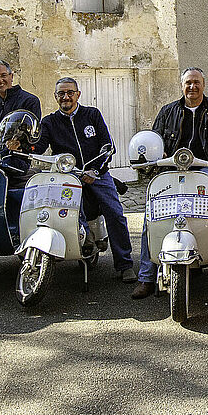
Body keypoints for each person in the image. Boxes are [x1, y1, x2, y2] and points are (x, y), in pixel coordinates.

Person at [131, 67, 208, 299]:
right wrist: (149, 159)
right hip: (172, 170)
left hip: (207, 168)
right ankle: (146, 276)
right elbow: (155, 139)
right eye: (188, 83)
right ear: (182, 85)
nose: (192, 87)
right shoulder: (168, 111)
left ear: (204, 83)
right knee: (151, 216)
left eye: (196, 82)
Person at [38, 77, 136, 282]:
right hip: (69, 175)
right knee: (67, 211)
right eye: (61, 94)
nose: (66, 97)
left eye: (70, 93)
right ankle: (85, 241)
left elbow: (107, 146)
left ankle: (125, 264)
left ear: (78, 94)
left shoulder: (92, 114)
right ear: (56, 97)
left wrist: (95, 170)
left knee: (115, 213)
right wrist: (23, 145)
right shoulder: (49, 122)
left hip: (97, 173)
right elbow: (38, 149)